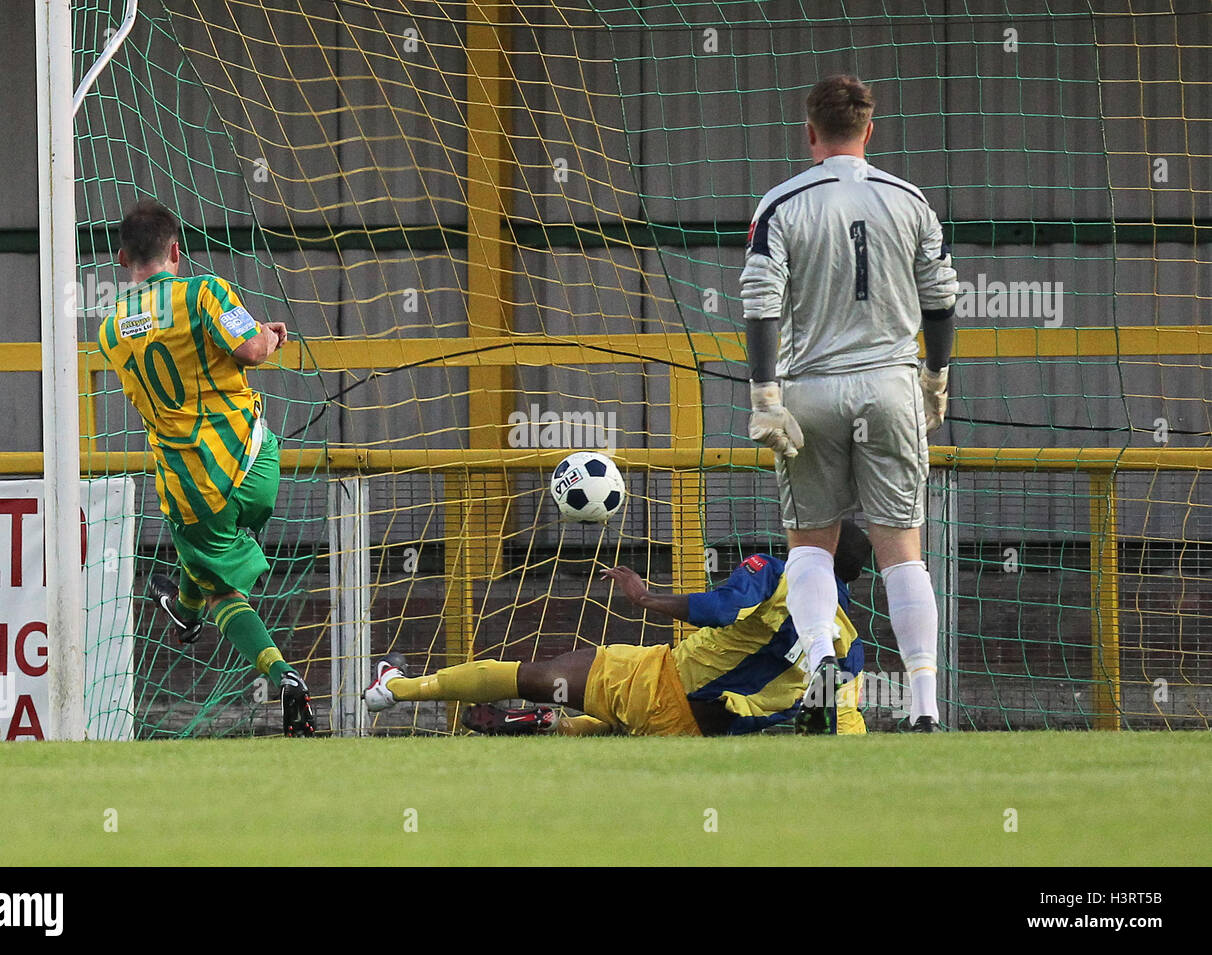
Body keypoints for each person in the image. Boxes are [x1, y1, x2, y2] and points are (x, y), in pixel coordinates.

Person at [740, 74, 958, 731]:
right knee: (903, 551)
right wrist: (936, 375)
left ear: (810, 132)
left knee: (809, 547)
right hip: (891, 385)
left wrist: (764, 394)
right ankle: (925, 707)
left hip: (809, 390)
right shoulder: (910, 199)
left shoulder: (780, 203)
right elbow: (942, 297)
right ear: (870, 130)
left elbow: (759, 301)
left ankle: (816, 670)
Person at [97, 198, 315, 736]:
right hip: (256, 459)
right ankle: (185, 610)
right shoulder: (205, 292)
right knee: (205, 560)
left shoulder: (109, 331)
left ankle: (284, 676)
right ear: (176, 250)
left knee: (222, 588)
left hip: (193, 487)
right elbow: (253, 351)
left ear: (123, 257)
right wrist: (271, 334)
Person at [364, 520, 873, 736]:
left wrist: (646, 596)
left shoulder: (781, 574)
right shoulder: (850, 650)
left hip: (662, 682)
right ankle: (546, 727)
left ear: (818, 546)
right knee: (621, 723)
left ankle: (394, 688)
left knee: (539, 676)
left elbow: (723, 608)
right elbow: (843, 723)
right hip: (707, 731)